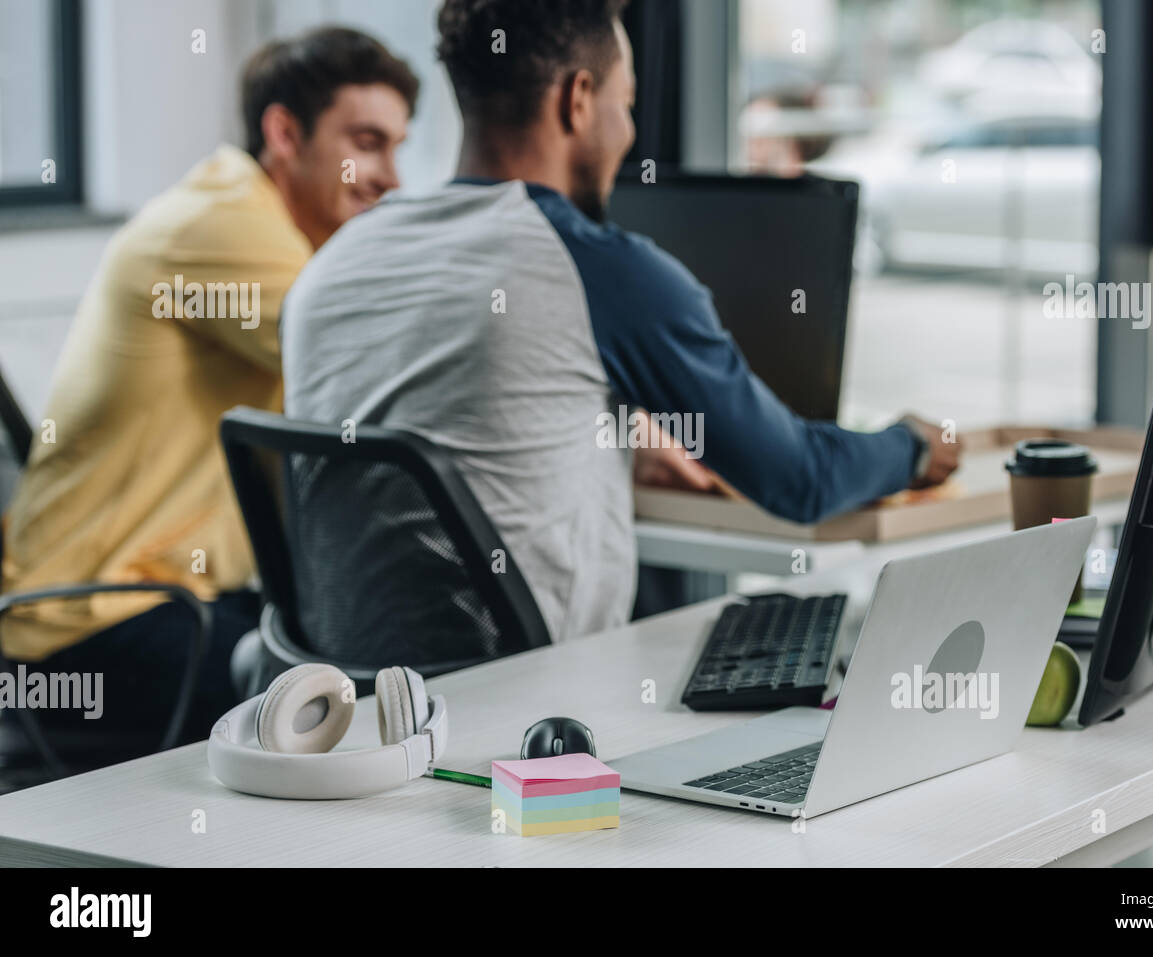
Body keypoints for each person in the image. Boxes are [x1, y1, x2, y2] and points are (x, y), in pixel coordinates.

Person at [280, 0, 960, 645]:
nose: (630, 130)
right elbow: (799, 478)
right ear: (577, 101)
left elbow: (454, 427)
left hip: (347, 707)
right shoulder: (592, 265)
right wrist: (913, 446)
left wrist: (620, 444)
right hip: (527, 714)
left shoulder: (335, 261)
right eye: (625, 103)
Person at [1, 27, 419, 743]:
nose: (390, 176)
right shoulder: (225, 223)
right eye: (367, 141)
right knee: (340, 715)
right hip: (89, 627)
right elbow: (391, 364)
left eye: (396, 146)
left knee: (359, 674)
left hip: (170, 601)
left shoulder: (268, 231)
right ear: (285, 132)